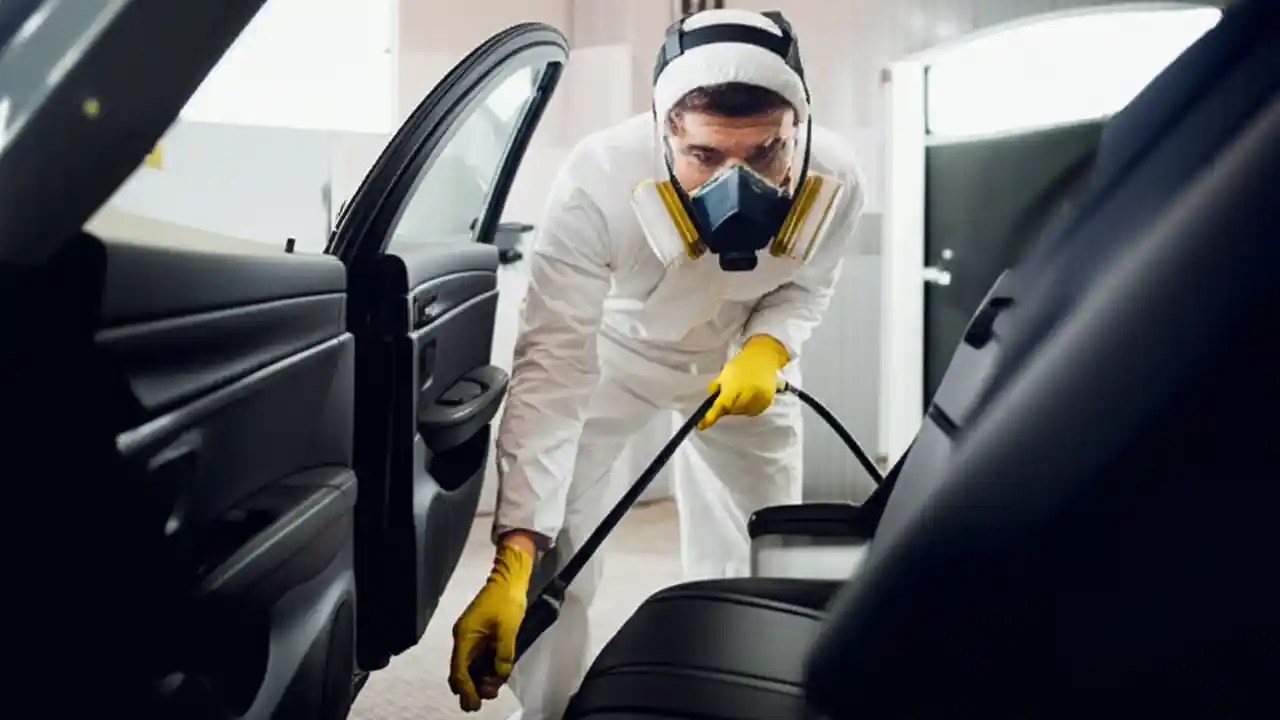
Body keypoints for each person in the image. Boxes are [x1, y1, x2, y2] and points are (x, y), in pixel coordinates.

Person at [448, 8, 865, 718]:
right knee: (562, 547)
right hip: (619, 354)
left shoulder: (834, 176)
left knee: (764, 541)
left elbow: (805, 285)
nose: (738, 185)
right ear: (663, 129)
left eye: (765, 154)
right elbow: (553, 362)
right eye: (705, 156)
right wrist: (514, 553)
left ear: (800, 129)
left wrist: (769, 347)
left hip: (742, 361)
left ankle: (747, 693)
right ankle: (542, 710)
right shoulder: (599, 178)